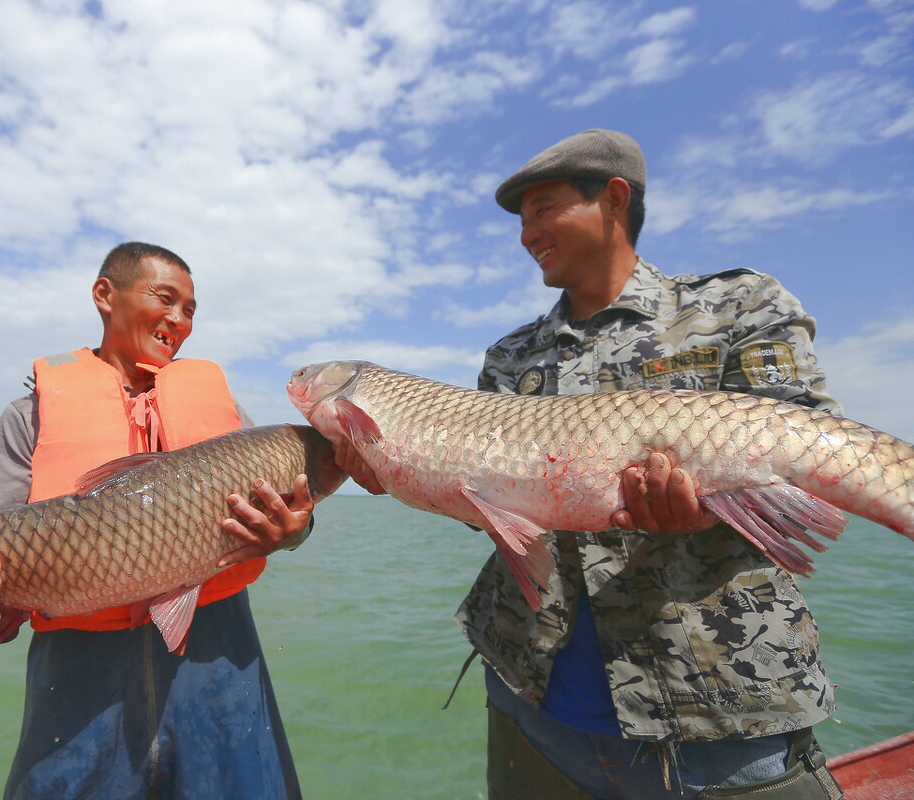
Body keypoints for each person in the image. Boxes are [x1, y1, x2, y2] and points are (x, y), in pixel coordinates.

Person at [344, 130, 846, 799]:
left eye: (543, 209)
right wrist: (401, 472)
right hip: (531, 694)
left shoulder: (738, 305)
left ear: (613, 200)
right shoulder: (510, 356)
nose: (527, 234)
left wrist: (707, 509)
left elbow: (812, 456)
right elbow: (494, 508)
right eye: (522, 220)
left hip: (716, 710)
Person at [0, 242, 312, 799]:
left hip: (219, 662)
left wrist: (293, 533)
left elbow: (293, 513)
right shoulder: (27, 418)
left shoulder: (230, 420)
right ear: (104, 295)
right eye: (165, 298)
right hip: (79, 678)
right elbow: (3, 568)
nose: (179, 319)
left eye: (190, 310)